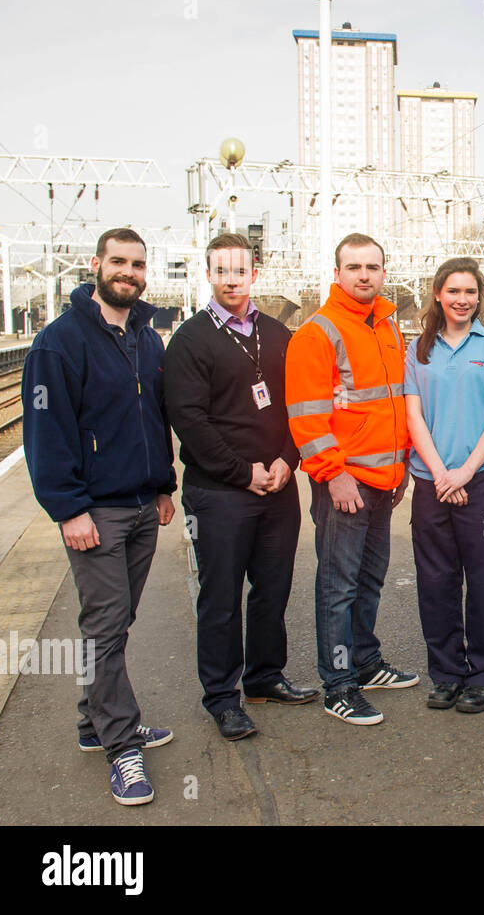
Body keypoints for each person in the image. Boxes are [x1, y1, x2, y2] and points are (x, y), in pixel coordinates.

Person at [22, 227, 176, 806]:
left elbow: (155, 418)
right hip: (96, 514)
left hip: (142, 505)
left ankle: (93, 721)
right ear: (96, 265)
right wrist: (68, 510)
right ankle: (122, 747)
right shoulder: (59, 343)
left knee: (115, 622)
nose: (128, 272)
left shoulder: (147, 339)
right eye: (118, 261)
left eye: (137, 264)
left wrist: (164, 485)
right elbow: (47, 433)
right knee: (106, 627)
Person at [165, 232, 316, 742]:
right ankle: (222, 698)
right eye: (222, 270)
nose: (232, 279)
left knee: (272, 590)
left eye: (241, 270)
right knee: (222, 597)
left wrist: (286, 460)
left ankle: (265, 677)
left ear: (256, 273)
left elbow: (299, 407)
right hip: (221, 493)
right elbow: (189, 418)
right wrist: (242, 472)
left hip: (278, 485)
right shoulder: (190, 340)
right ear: (209, 274)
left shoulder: (278, 334)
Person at [285, 233, 416, 727]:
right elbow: (306, 416)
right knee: (338, 585)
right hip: (345, 483)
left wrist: (401, 466)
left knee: (369, 579)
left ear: (384, 272)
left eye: (373, 267)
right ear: (336, 273)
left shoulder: (387, 327)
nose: (364, 275)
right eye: (354, 267)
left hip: (384, 479)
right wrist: (333, 476)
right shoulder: (317, 332)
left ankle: (365, 662)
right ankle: (338, 684)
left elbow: (395, 404)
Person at [406, 257, 484, 716]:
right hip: (431, 483)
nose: (462, 300)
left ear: (479, 297)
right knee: (435, 582)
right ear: (438, 293)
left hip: (483, 482)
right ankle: (446, 673)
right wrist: (440, 473)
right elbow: (414, 415)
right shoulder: (419, 348)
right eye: (454, 291)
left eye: (470, 292)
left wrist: (465, 473)